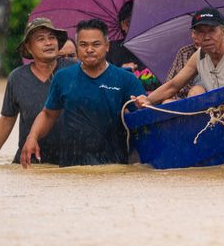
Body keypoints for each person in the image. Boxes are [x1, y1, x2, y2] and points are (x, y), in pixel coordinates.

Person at [20, 18, 145, 168]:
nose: (89, 49)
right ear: (77, 47)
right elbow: (48, 114)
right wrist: (32, 137)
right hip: (70, 168)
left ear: (107, 46)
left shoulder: (126, 79)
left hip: (113, 169)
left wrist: (143, 105)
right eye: (83, 45)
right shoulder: (63, 77)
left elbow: (143, 121)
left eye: (96, 44)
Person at [134, 7, 224, 107]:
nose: (206, 37)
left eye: (212, 31)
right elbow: (173, 85)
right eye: (201, 32)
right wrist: (148, 100)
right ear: (194, 35)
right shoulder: (198, 57)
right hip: (221, 116)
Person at [0, 18, 73, 165]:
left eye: (52, 37)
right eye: (41, 39)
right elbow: (7, 119)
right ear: (28, 47)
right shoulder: (17, 78)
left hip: (69, 162)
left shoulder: (74, 70)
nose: (48, 43)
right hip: (30, 162)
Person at [106, 0, 161, 92]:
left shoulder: (159, 49)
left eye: (140, 22)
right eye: (129, 22)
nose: (135, 27)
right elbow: (104, 85)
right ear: (123, 25)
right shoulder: (110, 50)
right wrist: (120, 73)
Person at [164, 30, 204, 99]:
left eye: (201, 32)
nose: (195, 37)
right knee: (167, 101)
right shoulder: (185, 53)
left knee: (197, 91)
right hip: (187, 99)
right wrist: (148, 100)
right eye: (194, 32)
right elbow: (170, 86)